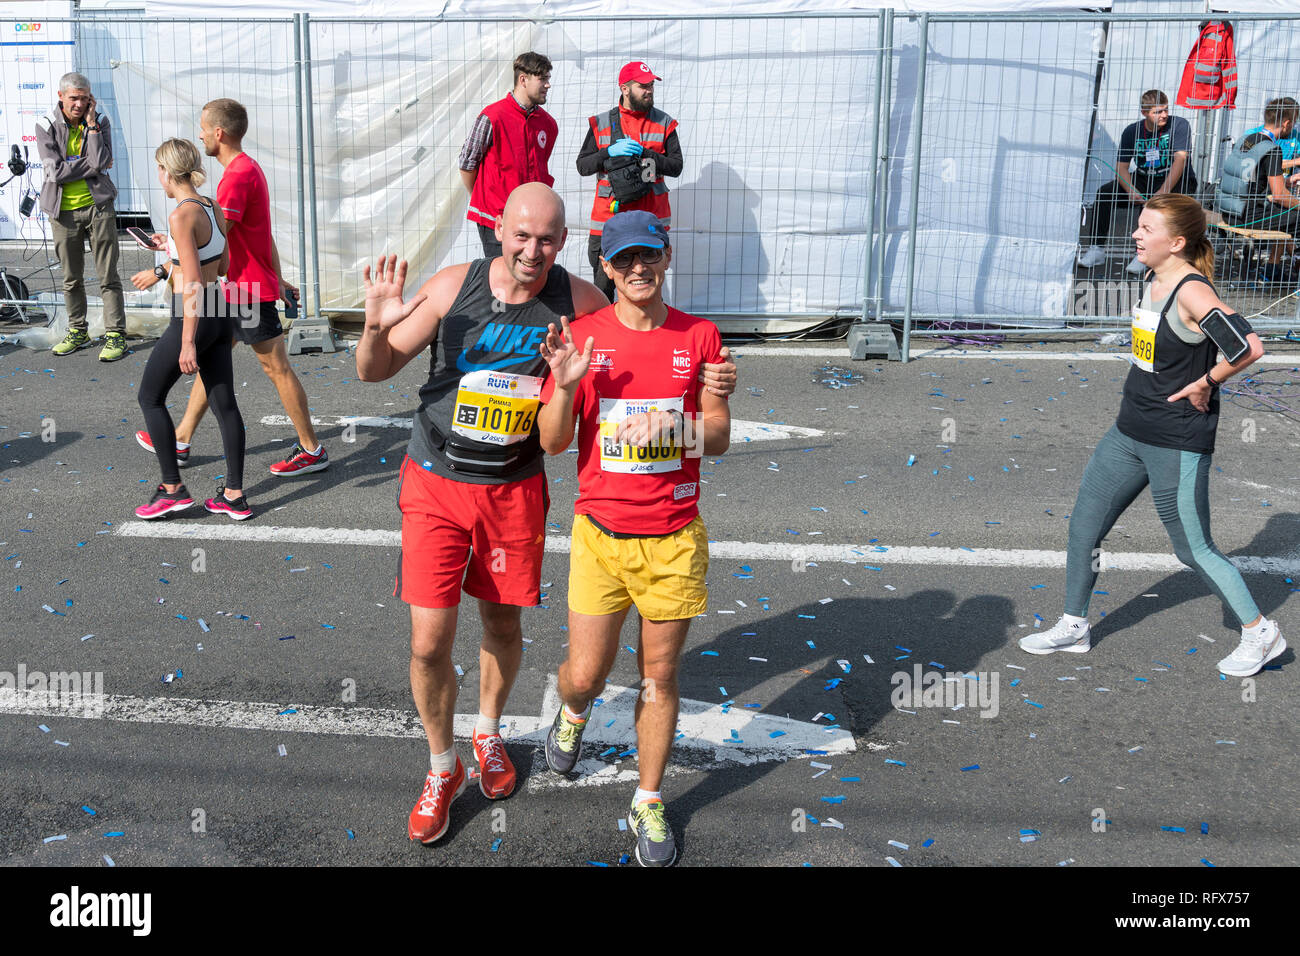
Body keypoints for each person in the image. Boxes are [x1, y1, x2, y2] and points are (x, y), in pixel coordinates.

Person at [357, 185, 736, 846]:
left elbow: (631, 333)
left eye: (548, 239)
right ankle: (441, 768)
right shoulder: (453, 287)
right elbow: (374, 369)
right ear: (499, 229)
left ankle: (489, 734)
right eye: (522, 236)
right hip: (437, 483)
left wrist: (695, 400)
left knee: (502, 624)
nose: (533, 251)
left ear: (565, 244)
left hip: (514, 491)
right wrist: (372, 324)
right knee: (427, 640)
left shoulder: (582, 302)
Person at [536, 211, 732, 867]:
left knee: (659, 676)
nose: (639, 269)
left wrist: (688, 420)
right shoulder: (583, 338)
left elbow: (719, 438)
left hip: (674, 538)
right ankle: (572, 713)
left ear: (667, 257)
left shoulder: (699, 338)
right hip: (600, 536)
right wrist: (565, 387)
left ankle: (647, 799)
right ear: (608, 269)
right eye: (625, 260)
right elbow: (554, 441)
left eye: (649, 255)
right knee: (585, 675)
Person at [1023, 193, 1285, 679]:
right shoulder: (1153, 276)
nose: (1136, 234)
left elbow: (1250, 346)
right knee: (1084, 528)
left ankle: (1260, 632)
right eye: (1139, 226)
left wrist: (1207, 383)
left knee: (1192, 549)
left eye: (1147, 229)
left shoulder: (1191, 291)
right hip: (1129, 431)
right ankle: (1073, 624)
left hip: (1176, 440)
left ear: (1177, 242)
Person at [131, 98, 327, 477]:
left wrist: (164, 263)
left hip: (246, 291)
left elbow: (216, 244)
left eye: (203, 128)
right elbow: (258, 234)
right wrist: (279, 276)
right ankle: (182, 438)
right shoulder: (246, 168)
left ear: (218, 133)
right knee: (213, 361)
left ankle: (311, 448)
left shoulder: (236, 177)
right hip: (240, 288)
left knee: (277, 368)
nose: (200, 134)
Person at [132, 139, 250, 521]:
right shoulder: (211, 205)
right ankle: (234, 494)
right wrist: (174, 251)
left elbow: (193, 282)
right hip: (221, 310)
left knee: (150, 397)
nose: (160, 180)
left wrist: (186, 342)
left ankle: (173, 488)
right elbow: (224, 263)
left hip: (193, 316)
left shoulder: (181, 215)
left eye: (159, 172)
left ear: (166, 172)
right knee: (225, 404)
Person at [36, 72, 128, 362]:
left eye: (85, 98)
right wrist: (90, 164)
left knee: (108, 275)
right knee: (70, 278)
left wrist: (90, 127)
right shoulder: (45, 125)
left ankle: (116, 334)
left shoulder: (99, 121)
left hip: (99, 207)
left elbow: (102, 161)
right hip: (62, 212)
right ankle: (77, 331)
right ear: (61, 97)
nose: (79, 103)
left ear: (91, 99)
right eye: (74, 97)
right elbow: (55, 172)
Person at [576, 61, 682, 299]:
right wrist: (608, 153)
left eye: (651, 85)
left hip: (650, 221)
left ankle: (650, 335)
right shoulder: (601, 123)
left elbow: (676, 167)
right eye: (643, 85)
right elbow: (583, 166)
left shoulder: (665, 123)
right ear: (624, 88)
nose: (649, 90)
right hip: (608, 220)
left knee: (649, 290)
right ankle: (603, 336)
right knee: (603, 292)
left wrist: (646, 154)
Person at [1079, 91, 1197, 275]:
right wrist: (1131, 190)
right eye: (1157, 112)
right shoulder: (1132, 131)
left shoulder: (1180, 125)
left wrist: (1162, 192)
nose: (1164, 115)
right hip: (1143, 177)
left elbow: (1180, 160)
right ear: (1144, 113)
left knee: (1152, 205)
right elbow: (1122, 167)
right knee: (1104, 193)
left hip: (1176, 179)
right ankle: (1097, 248)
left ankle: (1145, 254)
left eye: (1166, 110)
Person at [459, 52, 557, 258]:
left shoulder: (548, 124)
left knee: (530, 282)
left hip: (532, 220)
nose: (548, 85)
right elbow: (467, 164)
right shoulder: (492, 117)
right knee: (500, 280)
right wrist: (487, 199)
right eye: (543, 79)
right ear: (523, 79)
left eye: (548, 79)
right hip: (497, 219)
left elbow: (541, 165)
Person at [1217, 97, 1300, 284]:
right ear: (1286, 124)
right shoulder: (1272, 149)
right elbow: (1279, 196)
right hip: (1249, 216)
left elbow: (1251, 180)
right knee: (1294, 214)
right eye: (1293, 123)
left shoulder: (1247, 139)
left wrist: (1286, 181)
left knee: (1286, 214)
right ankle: (1288, 263)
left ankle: (1275, 266)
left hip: (1230, 210)